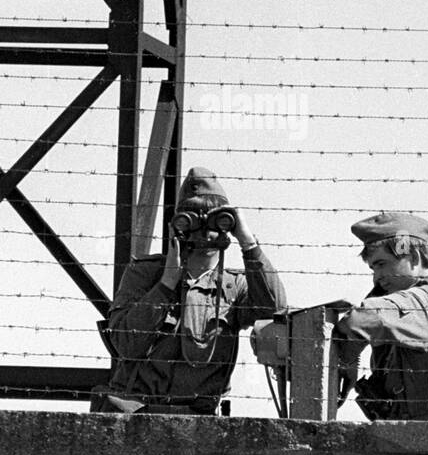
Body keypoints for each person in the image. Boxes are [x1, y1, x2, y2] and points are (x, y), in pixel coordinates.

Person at [91, 168, 286, 415]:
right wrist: (167, 283)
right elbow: (125, 344)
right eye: (192, 218)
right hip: (135, 413)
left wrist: (249, 243)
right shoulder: (146, 274)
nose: (206, 229)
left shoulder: (234, 285)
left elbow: (275, 308)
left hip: (198, 418)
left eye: (217, 220)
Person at [334, 210, 428, 423]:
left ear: (412, 257)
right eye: (373, 268)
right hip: (423, 436)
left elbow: (358, 320)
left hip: (418, 440)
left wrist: (349, 360)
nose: (377, 277)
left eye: (382, 264)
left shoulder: (421, 302)